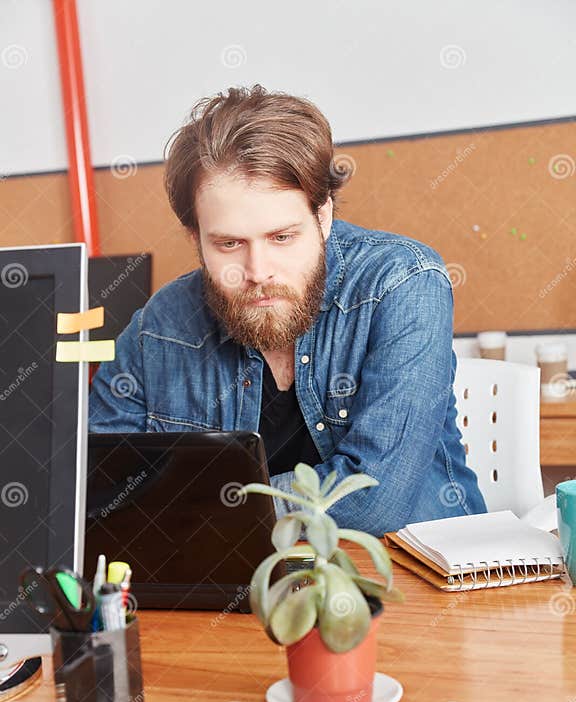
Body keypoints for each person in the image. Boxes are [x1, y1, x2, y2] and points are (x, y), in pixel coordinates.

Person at [89, 84, 486, 535]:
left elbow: (374, 500)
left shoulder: (403, 285)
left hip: (414, 586)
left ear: (323, 216)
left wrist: (200, 506)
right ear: (195, 239)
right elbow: (94, 489)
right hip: (238, 590)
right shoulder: (159, 327)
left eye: (282, 238)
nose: (258, 271)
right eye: (229, 243)